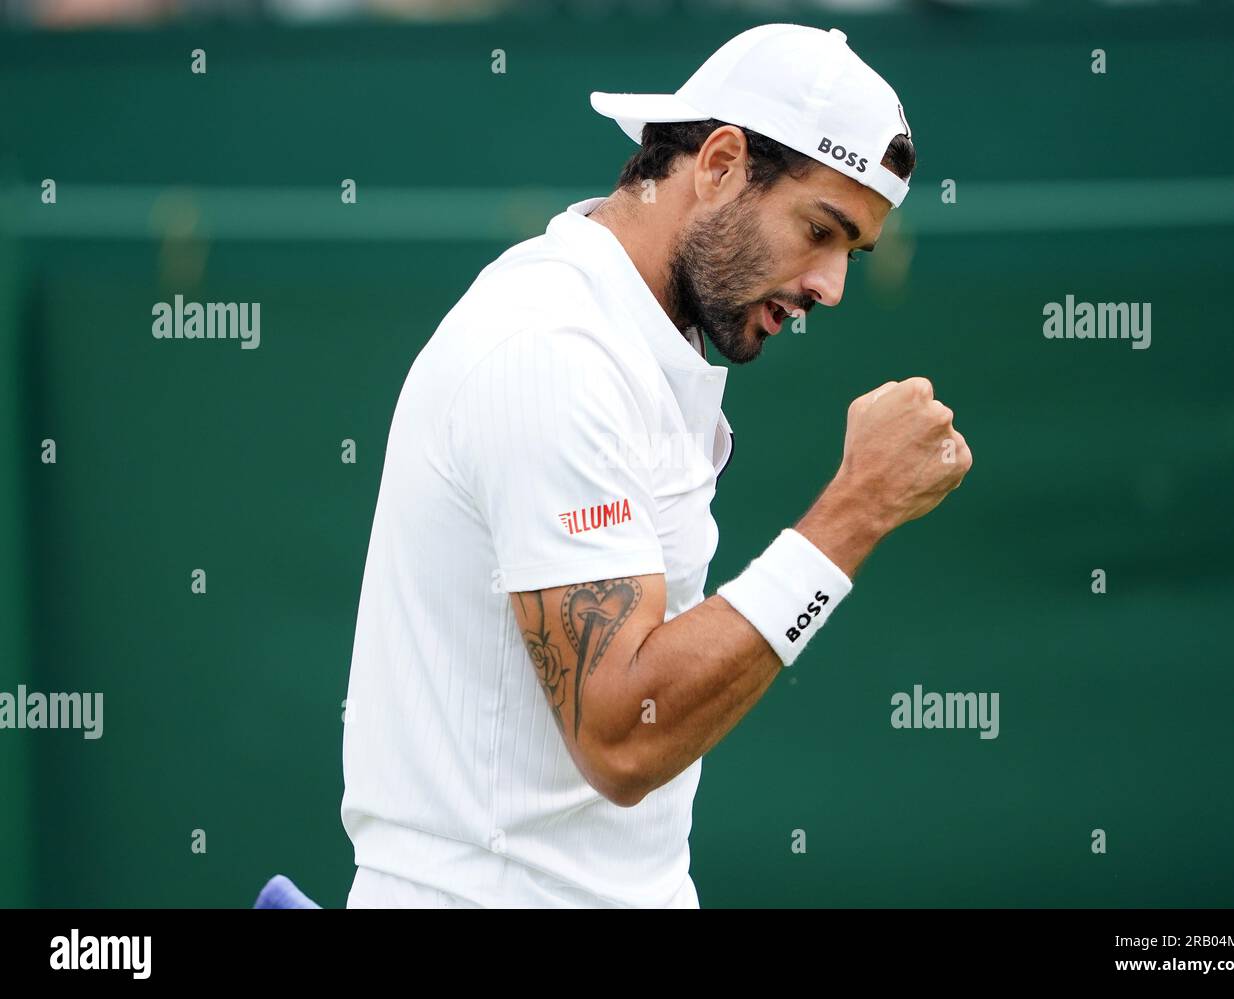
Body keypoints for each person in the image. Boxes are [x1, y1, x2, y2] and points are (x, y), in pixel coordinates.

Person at [341, 22, 972, 908]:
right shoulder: (550, 349)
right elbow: (624, 737)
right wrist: (856, 509)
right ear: (718, 162)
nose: (831, 286)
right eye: (821, 230)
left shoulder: (633, 338)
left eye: (852, 254)